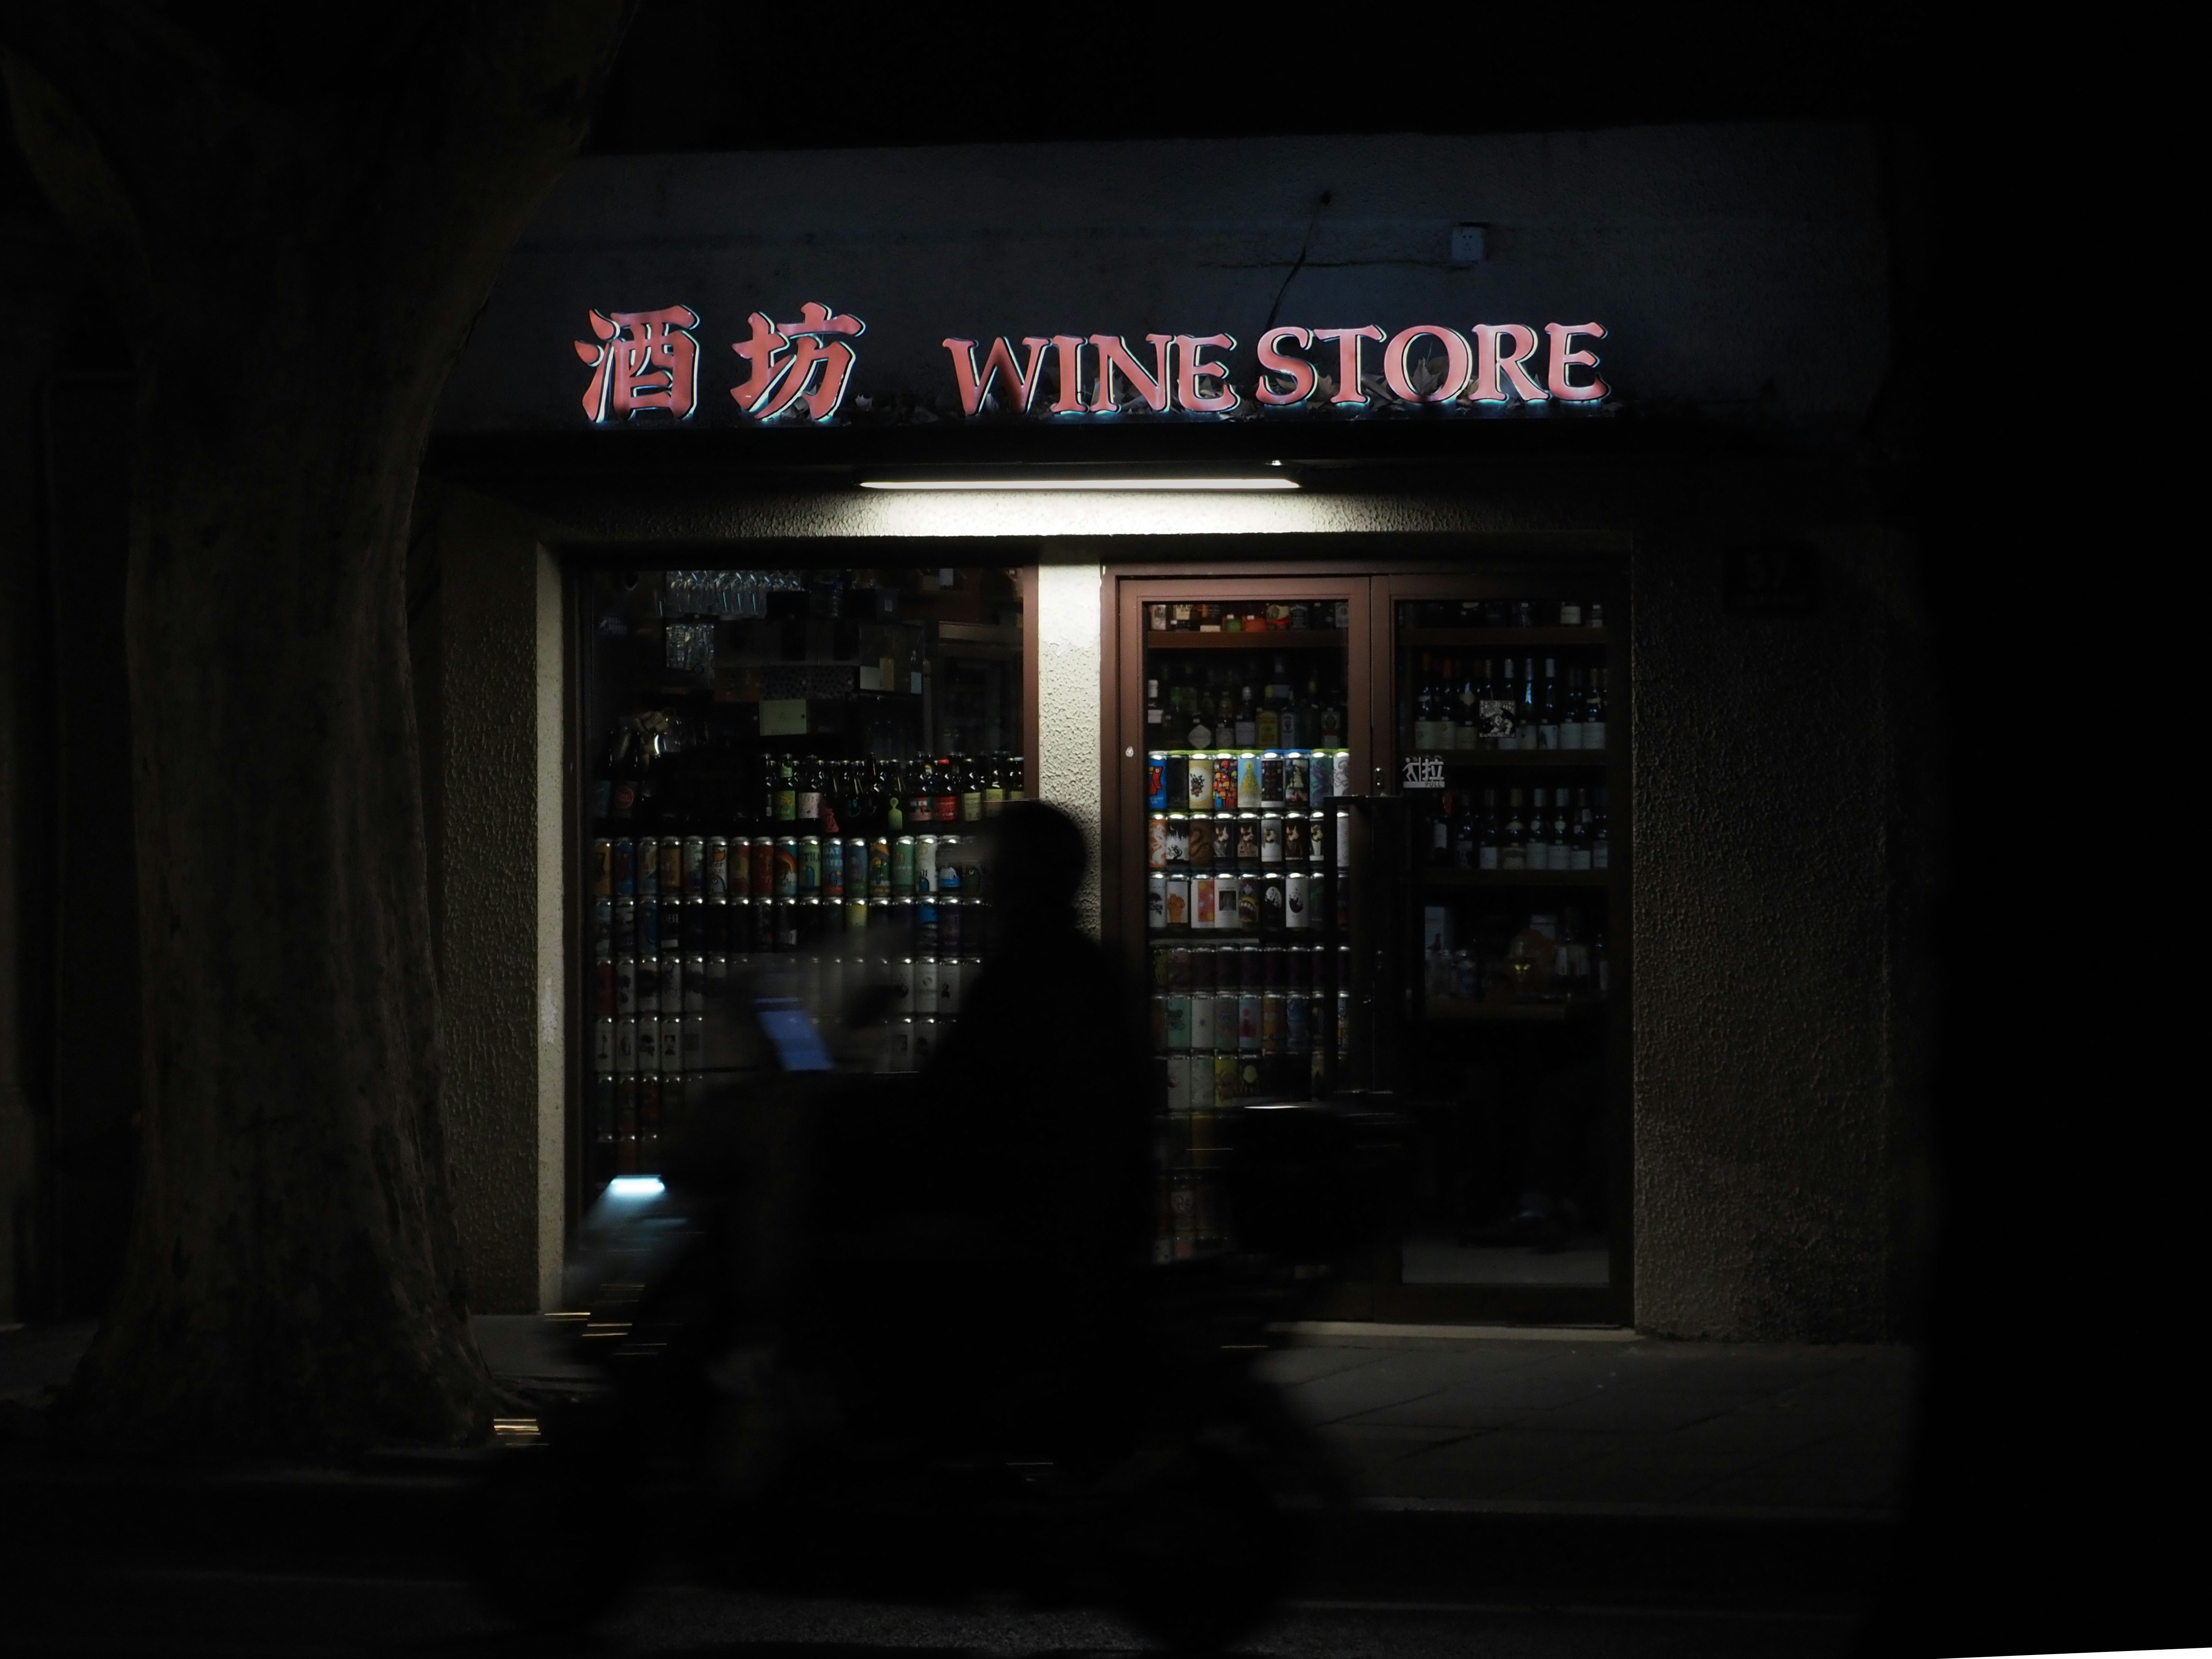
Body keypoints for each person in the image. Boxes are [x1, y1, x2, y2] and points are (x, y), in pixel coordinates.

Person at [912, 801, 1153, 1452]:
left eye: (994, 869)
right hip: (1080, 1204)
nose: (984, 884)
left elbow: (966, 1087)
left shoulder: (1031, 968)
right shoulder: (1074, 959)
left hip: (1038, 1211)